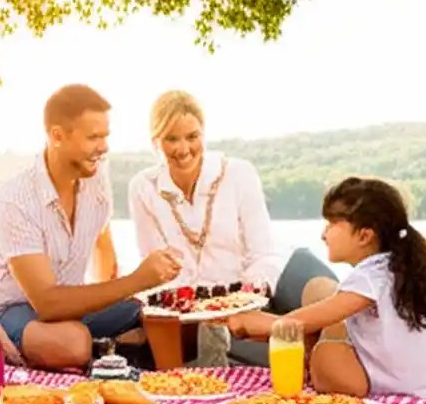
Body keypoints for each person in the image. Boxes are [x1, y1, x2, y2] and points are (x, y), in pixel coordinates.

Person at [0, 84, 182, 370]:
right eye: (94, 137)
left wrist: (122, 298)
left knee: (159, 313)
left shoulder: (95, 178)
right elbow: (47, 302)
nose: (104, 147)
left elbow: (103, 248)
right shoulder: (15, 200)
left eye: (105, 136)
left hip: (67, 310)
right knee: (73, 341)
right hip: (8, 312)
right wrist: (137, 280)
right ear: (57, 136)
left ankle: (170, 382)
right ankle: (100, 353)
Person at [127, 90, 338, 366]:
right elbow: (157, 268)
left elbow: (262, 251)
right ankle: (313, 356)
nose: (183, 149)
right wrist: (206, 306)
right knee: (275, 353)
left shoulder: (238, 172)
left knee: (331, 301)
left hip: (275, 270)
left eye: (192, 136)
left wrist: (246, 298)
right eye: (171, 138)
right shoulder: (143, 188)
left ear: (203, 133)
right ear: (156, 140)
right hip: (212, 303)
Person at [225, 177, 426, 398]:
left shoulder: (370, 277)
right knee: (325, 322)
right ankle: (308, 350)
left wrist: (256, 321)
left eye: (332, 224)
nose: (323, 234)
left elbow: (303, 322)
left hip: (404, 384)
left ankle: (309, 360)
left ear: (364, 235)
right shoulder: (393, 266)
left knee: (326, 357)